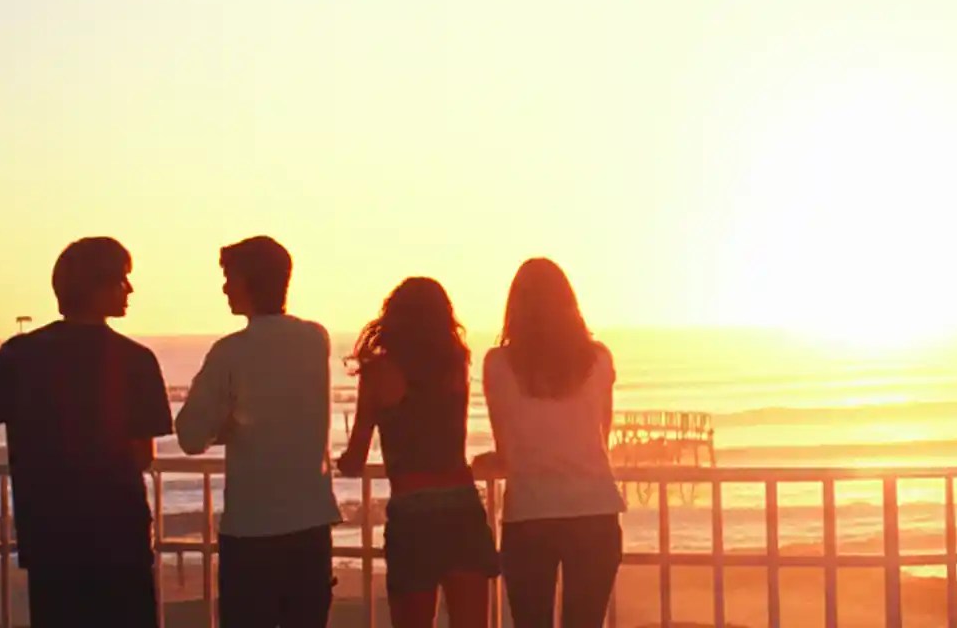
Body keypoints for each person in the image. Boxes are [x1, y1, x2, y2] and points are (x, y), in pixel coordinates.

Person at [0, 237, 173, 628]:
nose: (130, 289)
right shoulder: (135, 359)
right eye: (122, 280)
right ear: (97, 287)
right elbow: (144, 455)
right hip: (119, 533)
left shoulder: (22, 354)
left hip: (50, 534)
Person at [175, 236, 342, 628]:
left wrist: (225, 426)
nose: (225, 287)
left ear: (249, 281)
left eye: (229, 277)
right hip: (311, 526)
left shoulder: (229, 352)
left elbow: (189, 436)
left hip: (252, 531)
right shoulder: (315, 338)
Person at [337, 277, 499, 628]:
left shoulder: (379, 372)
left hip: (413, 513)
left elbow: (356, 457)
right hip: (462, 506)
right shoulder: (456, 366)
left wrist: (334, 462)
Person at [478, 258, 625, 628]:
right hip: (594, 510)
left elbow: (505, 449)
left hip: (530, 514)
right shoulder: (598, 359)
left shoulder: (498, 364)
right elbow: (600, 434)